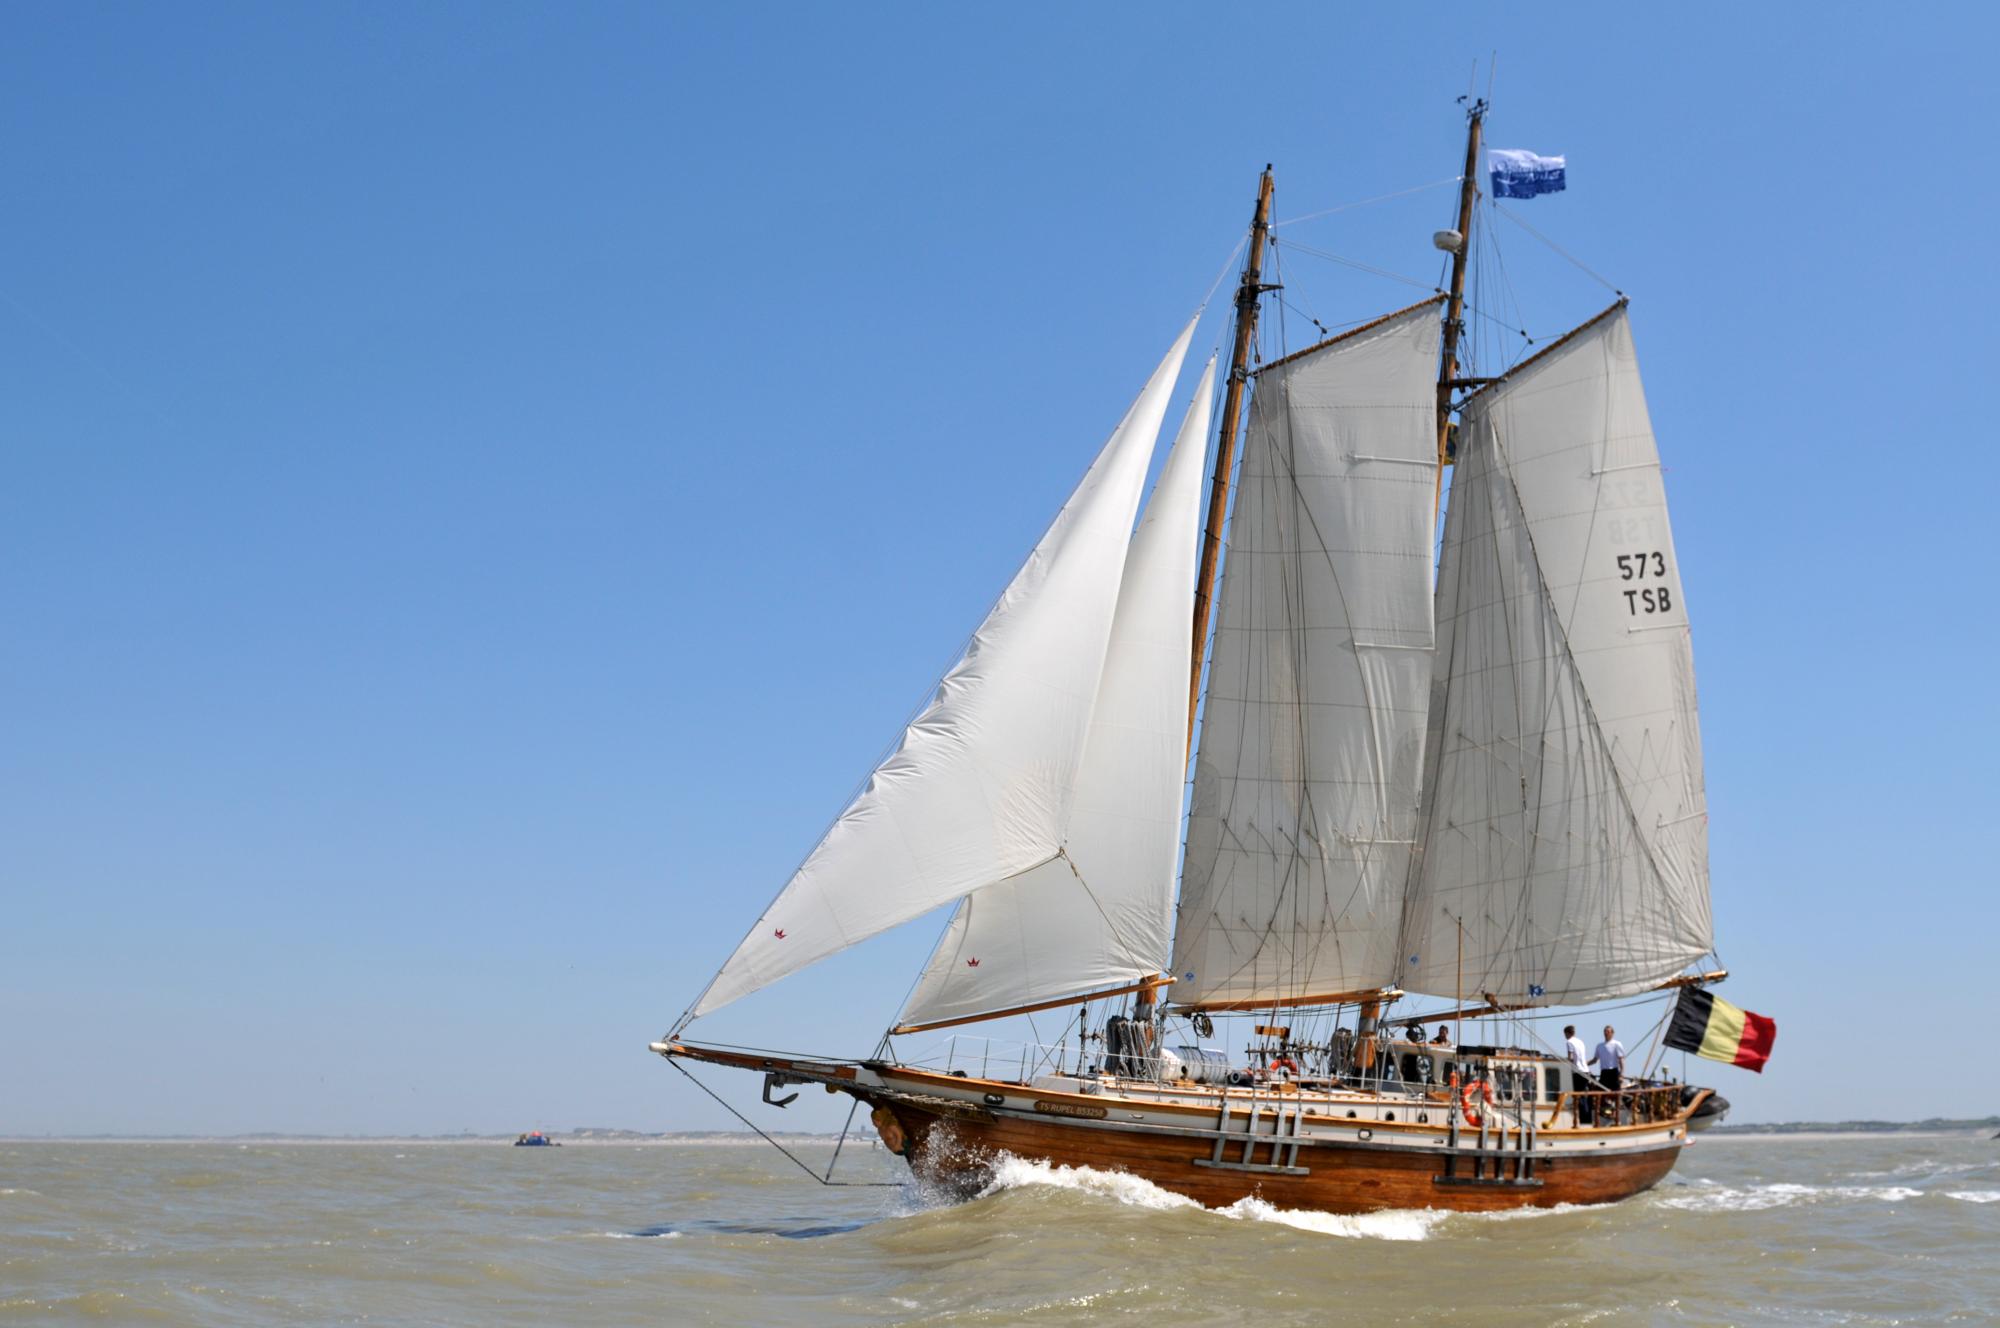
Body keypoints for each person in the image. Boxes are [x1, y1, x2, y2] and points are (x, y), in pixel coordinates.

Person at [1593, 1025, 1627, 1125]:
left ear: (1612, 1033)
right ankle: (1601, 1116)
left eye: (1608, 1031)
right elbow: (1595, 1060)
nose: (1606, 1033)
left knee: (1616, 1094)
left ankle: (1617, 1117)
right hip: (1604, 1072)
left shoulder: (1617, 1044)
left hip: (1613, 1071)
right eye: (1605, 1031)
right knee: (1600, 1094)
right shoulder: (1599, 1046)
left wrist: (1622, 1074)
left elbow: (1621, 1060)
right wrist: (1585, 1064)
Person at [1564, 1024, 1594, 1125]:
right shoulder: (1580, 1041)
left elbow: (1571, 1058)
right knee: (1584, 1096)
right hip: (1585, 1071)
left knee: (1577, 1096)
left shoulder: (1569, 1042)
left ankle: (1581, 1120)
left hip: (1577, 1072)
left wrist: (1566, 1066)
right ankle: (1587, 1118)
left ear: (1567, 1033)